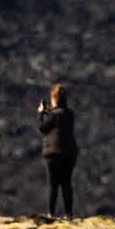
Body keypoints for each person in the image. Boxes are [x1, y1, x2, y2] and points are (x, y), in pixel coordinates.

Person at [38, 82, 79, 221]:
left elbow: (43, 128)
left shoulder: (54, 114)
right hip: (69, 152)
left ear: (54, 98)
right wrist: (50, 111)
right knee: (66, 183)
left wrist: (41, 114)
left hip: (53, 152)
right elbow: (59, 118)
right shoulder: (70, 114)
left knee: (53, 184)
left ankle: (51, 213)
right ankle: (68, 214)